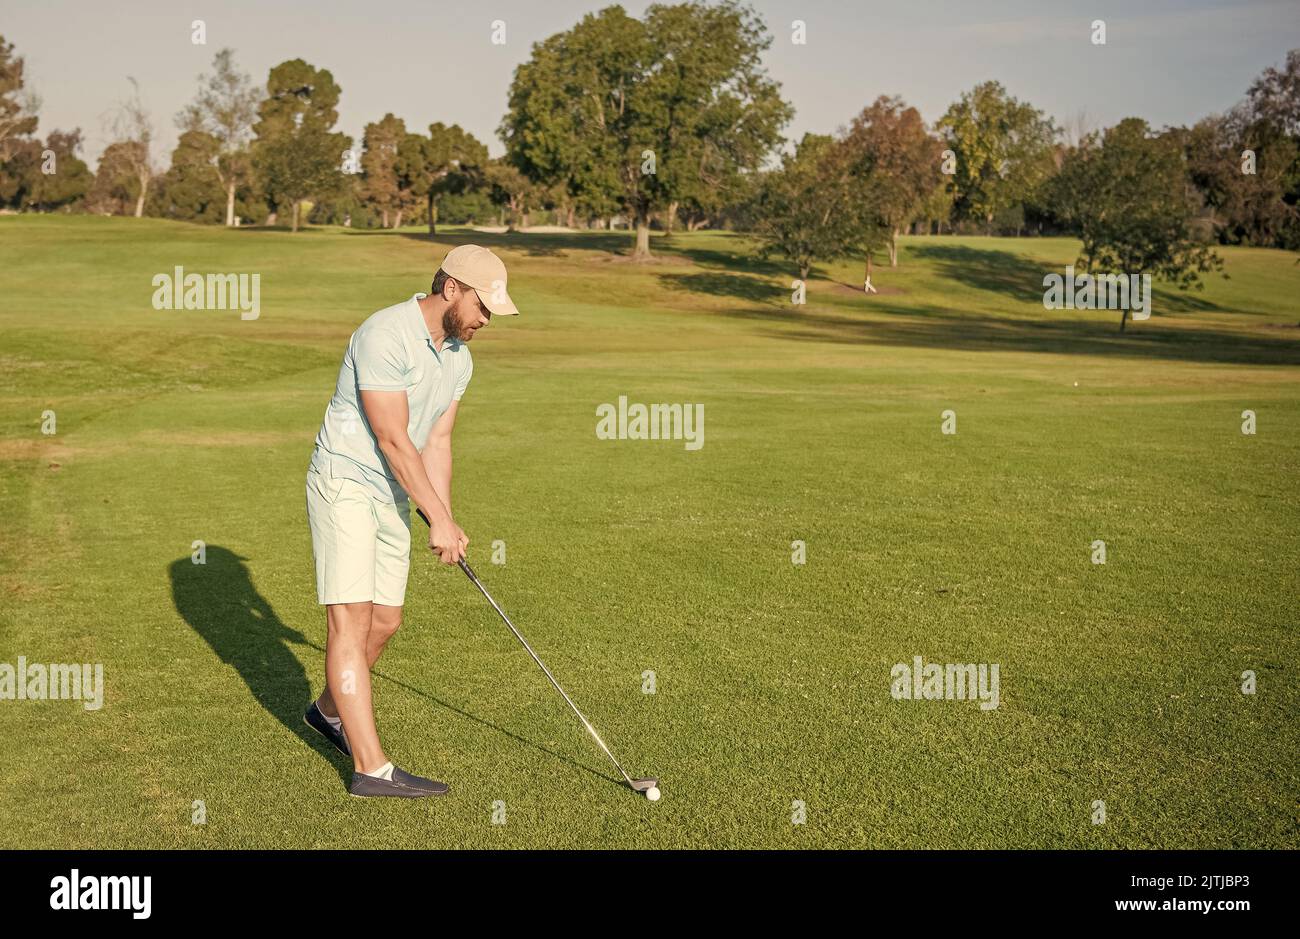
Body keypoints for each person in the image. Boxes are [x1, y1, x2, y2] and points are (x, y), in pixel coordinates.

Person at [302, 245, 520, 798]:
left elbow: (437, 441)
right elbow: (393, 438)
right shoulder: (385, 333)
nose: (486, 319)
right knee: (349, 623)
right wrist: (436, 519)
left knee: (386, 622)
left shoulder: (458, 359)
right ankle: (370, 769)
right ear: (452, 289)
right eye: (483, 306)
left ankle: (328, 712)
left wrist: (442, 517)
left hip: (392, 494)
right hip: (346, 482)